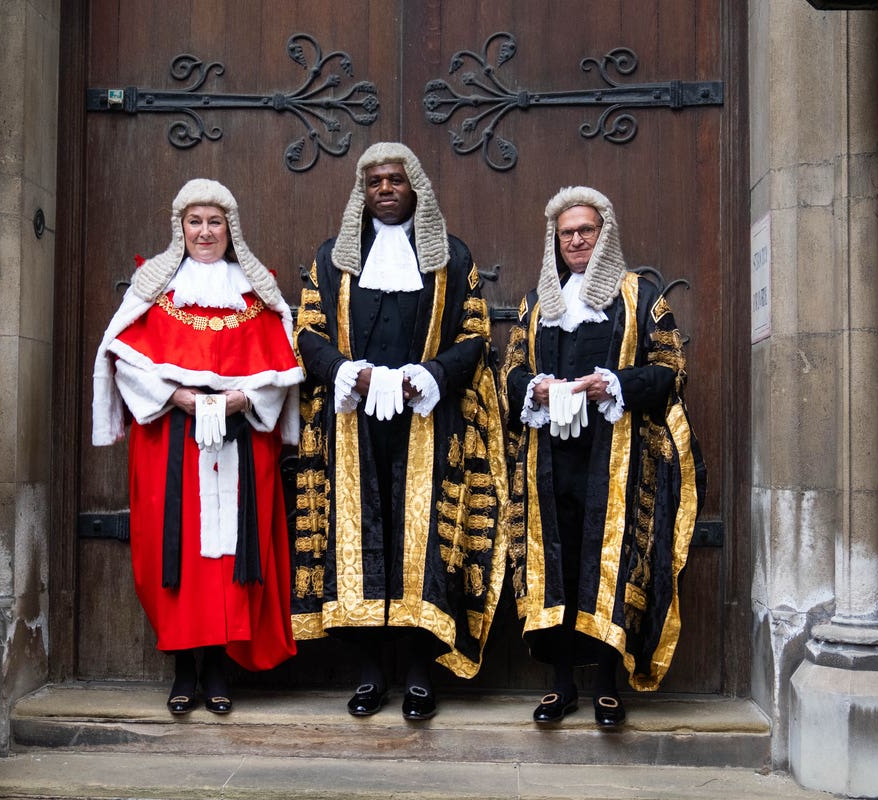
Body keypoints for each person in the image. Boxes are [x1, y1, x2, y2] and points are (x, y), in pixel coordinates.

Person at [291, 142, 509, 720]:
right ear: (362, 191)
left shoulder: (451, 257)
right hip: (351, 423)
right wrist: (346, 372)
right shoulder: (332, 258)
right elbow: (308, 331)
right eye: (375, 181)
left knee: (421, 545)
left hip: (428, 424)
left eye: (396, 179)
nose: (385, 189)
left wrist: (431, 374)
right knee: (361, 545)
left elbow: (474, 336)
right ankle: (369, 674)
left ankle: (417, 674)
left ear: (416, 187)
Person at [93, 178, 301, 715]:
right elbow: (123, 359)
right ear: (179, 228)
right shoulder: (155, 291)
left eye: (215, 222)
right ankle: (184, 668)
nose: (205, 232)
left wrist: (242, 398)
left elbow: (282, 370)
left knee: (232, 554)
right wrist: (176, 395)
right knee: (176, 549)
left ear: (231, 229)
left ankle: (219, 669)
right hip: (170, 440)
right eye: (195, 222)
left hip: (240, 440)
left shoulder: (256, 294)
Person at [500, 186, 704, 728]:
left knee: (608, 565)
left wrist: (613, 384)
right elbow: (510, 370)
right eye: (566, 233)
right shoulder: (536, 304)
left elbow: (671, 370)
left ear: (603, 233)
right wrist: (534, 388)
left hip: (617, 459)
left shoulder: (641, 297)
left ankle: (608, 686)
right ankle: (561, 685)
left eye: (584, 230)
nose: (575, 240)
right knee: (558, 567)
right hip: (549, 460)